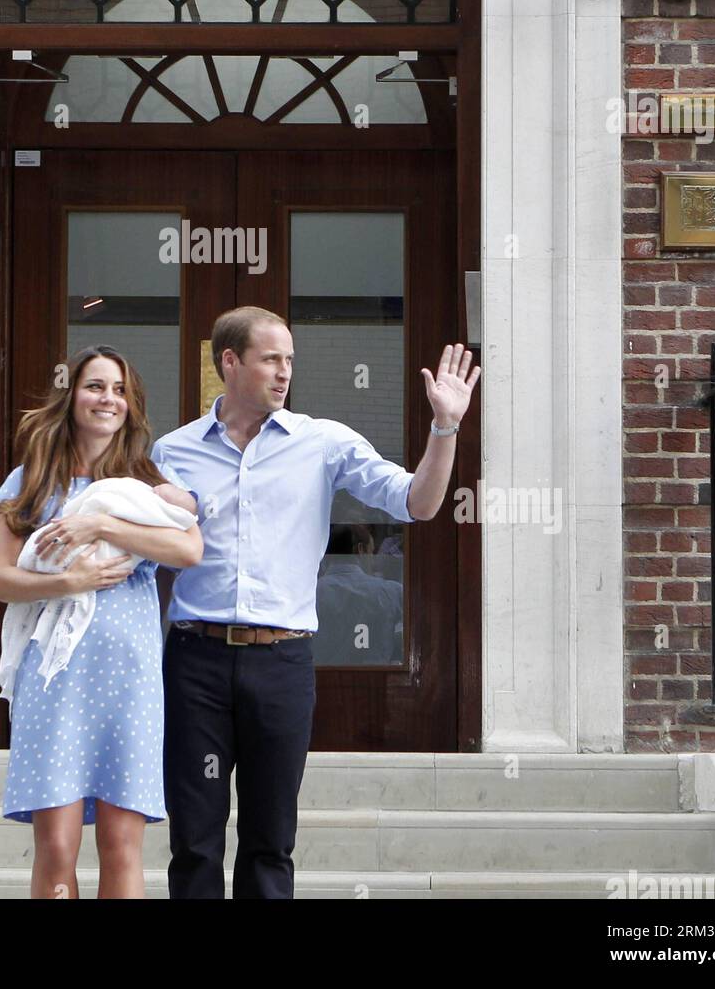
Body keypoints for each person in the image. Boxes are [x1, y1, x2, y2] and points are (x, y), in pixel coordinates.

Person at [150, 306, 480, 899]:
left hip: (281, 663)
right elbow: (142, 550)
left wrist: (445, 428)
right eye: (271, 359)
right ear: (230, 362)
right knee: (194, 839)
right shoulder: (172, 453)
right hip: (194, 661)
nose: (284, 373)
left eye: (290, 361)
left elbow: (418, 503)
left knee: (270, 838)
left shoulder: (323, 444)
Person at [0, 343, 201, 899]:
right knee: (55, 847)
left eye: (119, 390)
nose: (108, 399)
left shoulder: (151, 480)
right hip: (54, 676)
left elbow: (189, 551)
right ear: (72, 395)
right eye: (95, 386)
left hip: (128, 677)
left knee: (121, 846)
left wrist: (100, 525)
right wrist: (68, 582)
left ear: (132, 404)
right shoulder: (30, 480)